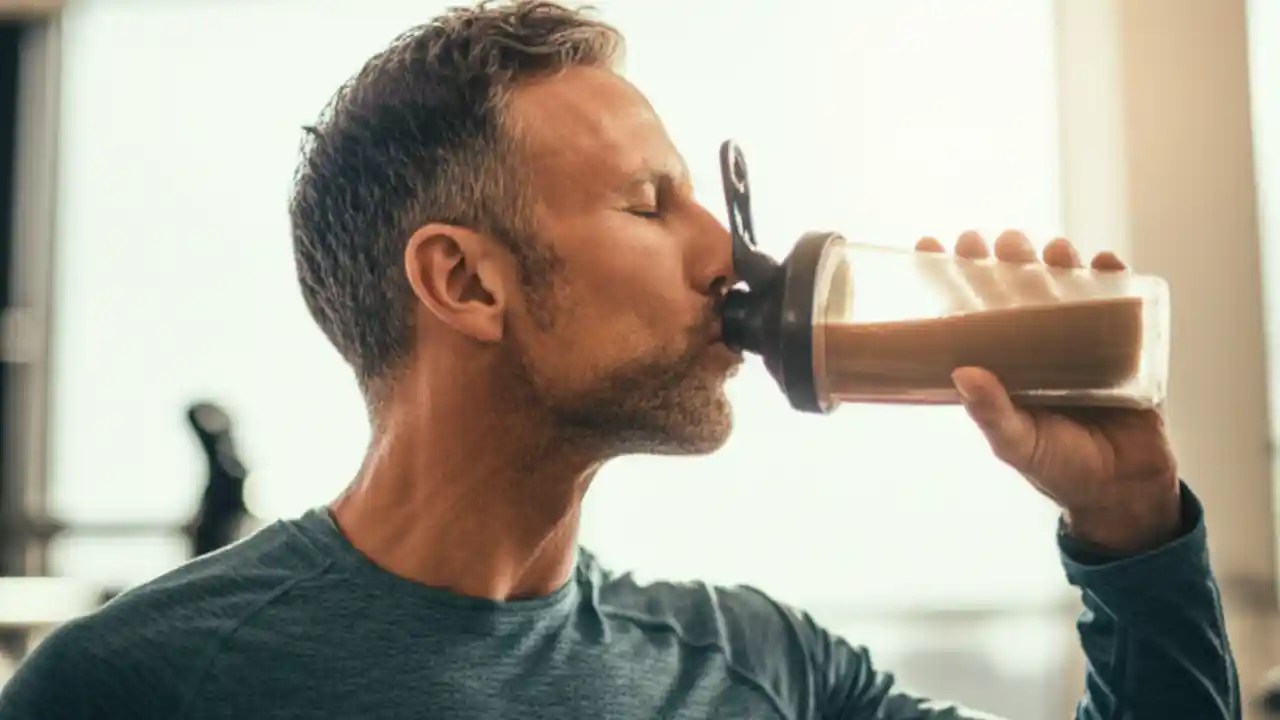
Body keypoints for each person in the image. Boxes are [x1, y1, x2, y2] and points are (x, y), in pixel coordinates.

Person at [0, 2, 1240, 718]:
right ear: (464, 282)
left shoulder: (768, 673)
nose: (725, 255)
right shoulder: (137, 688)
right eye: (653, 204)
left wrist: (1128, 525)